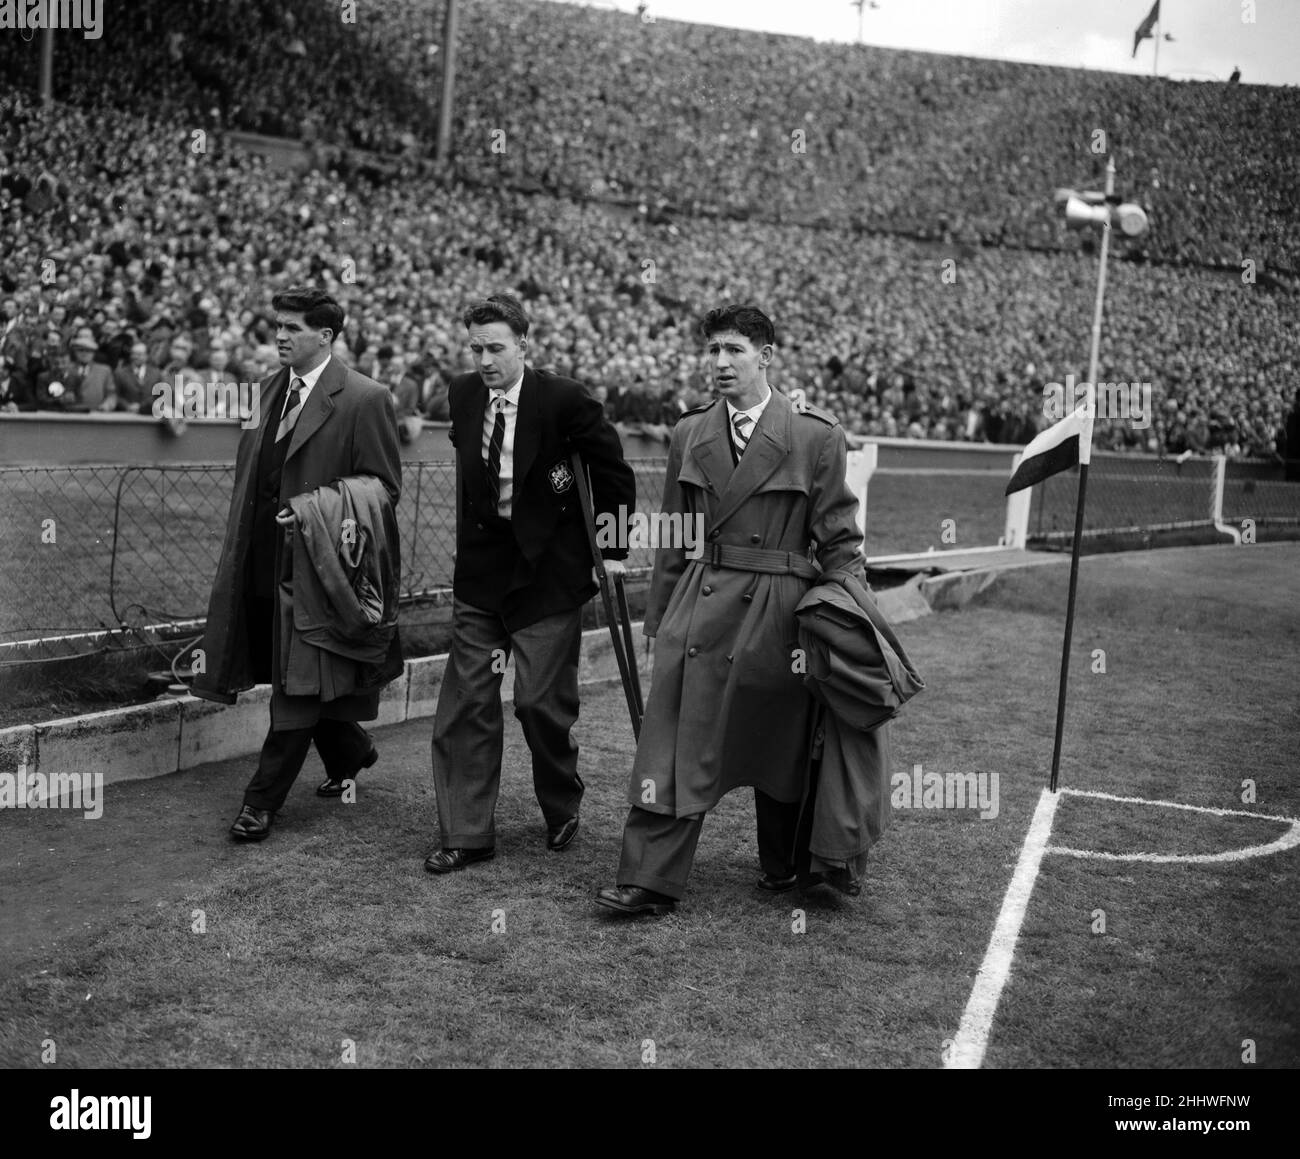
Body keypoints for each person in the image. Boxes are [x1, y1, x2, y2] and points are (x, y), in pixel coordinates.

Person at [596, 303, 866, 916]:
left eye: (734, 351)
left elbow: (841, 543)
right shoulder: (691, 431)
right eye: (713, 349)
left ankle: (789, 866)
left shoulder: (815, 435)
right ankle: (651, 880)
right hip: (704, 598)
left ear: (766, 357)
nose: (719, 363)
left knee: (784, 745)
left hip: (782, 611)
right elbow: (673, 532)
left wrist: (851, 624)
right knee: (671, 739)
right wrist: (659, 620)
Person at [425, 293, 635, 873]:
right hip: (482, 574)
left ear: (524, 345)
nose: (485, 359)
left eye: (496, 347)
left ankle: (562, 800)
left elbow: (612, 469)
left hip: (547, 575)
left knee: (540, 704)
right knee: (468, 702)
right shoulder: (464, 394)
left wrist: (612, 548)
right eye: (476, 348)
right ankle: (467, 833)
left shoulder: (563, 398)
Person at [190, 286, 403, 842]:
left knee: (298, 685)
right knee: (283, 668)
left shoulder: (366, 398)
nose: (280, 336)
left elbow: (382, 489)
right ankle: (351, 750)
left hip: (317, 571)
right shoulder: (265, 391)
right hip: (259, 564)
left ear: (326, 336)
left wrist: (315, 512)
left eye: (293, 328)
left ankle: (260, 803)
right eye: (278, 326)